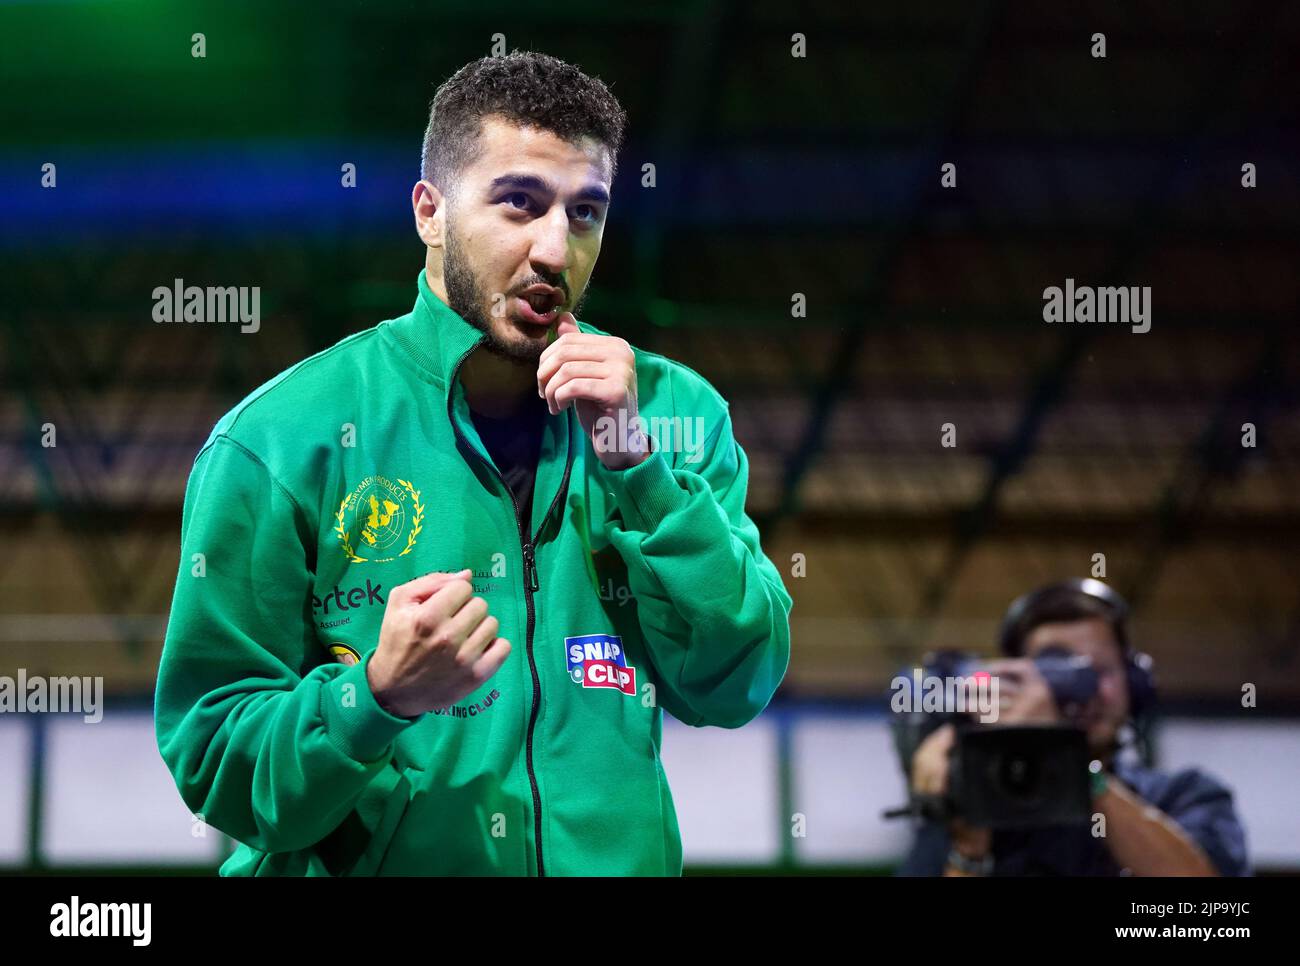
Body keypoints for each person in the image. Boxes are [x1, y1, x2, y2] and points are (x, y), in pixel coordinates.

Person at [154, 51, 792, 876]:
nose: (555, 252)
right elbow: (215, 759)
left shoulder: (674, 415)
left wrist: (638, 466)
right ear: (430, 211)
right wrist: (373, 699)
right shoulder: (278, 440)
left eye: (586, 213)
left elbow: (736, 680)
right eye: (519, 204)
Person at [898, 578, 1249, 876]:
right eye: (1058, 673)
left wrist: (1073, 763)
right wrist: (968, 846)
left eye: (1102, 670)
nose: (1087, 693)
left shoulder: (1185, 796)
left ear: (1134, 682)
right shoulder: (985, 807)